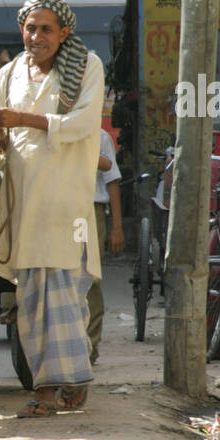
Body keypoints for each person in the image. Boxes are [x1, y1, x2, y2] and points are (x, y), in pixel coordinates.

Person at [0, 0, 104, 418]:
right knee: (32, 299)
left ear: (64, 33)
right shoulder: (7, 73)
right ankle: (58, 383)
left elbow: (85, 124)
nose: (36, 37)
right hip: (24, 201)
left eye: (46, 29)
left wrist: (22, 120)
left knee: (67, 293)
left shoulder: (87, 67)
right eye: (30, 28)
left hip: (66, 200)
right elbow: (5, 146)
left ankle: (55, 390)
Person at [87, 128, 125, 364]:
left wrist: (117, 228)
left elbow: (112, 182)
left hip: (89, 213)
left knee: (88, 276)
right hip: (60, 209)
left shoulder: (99, 137)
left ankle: (90, 344)